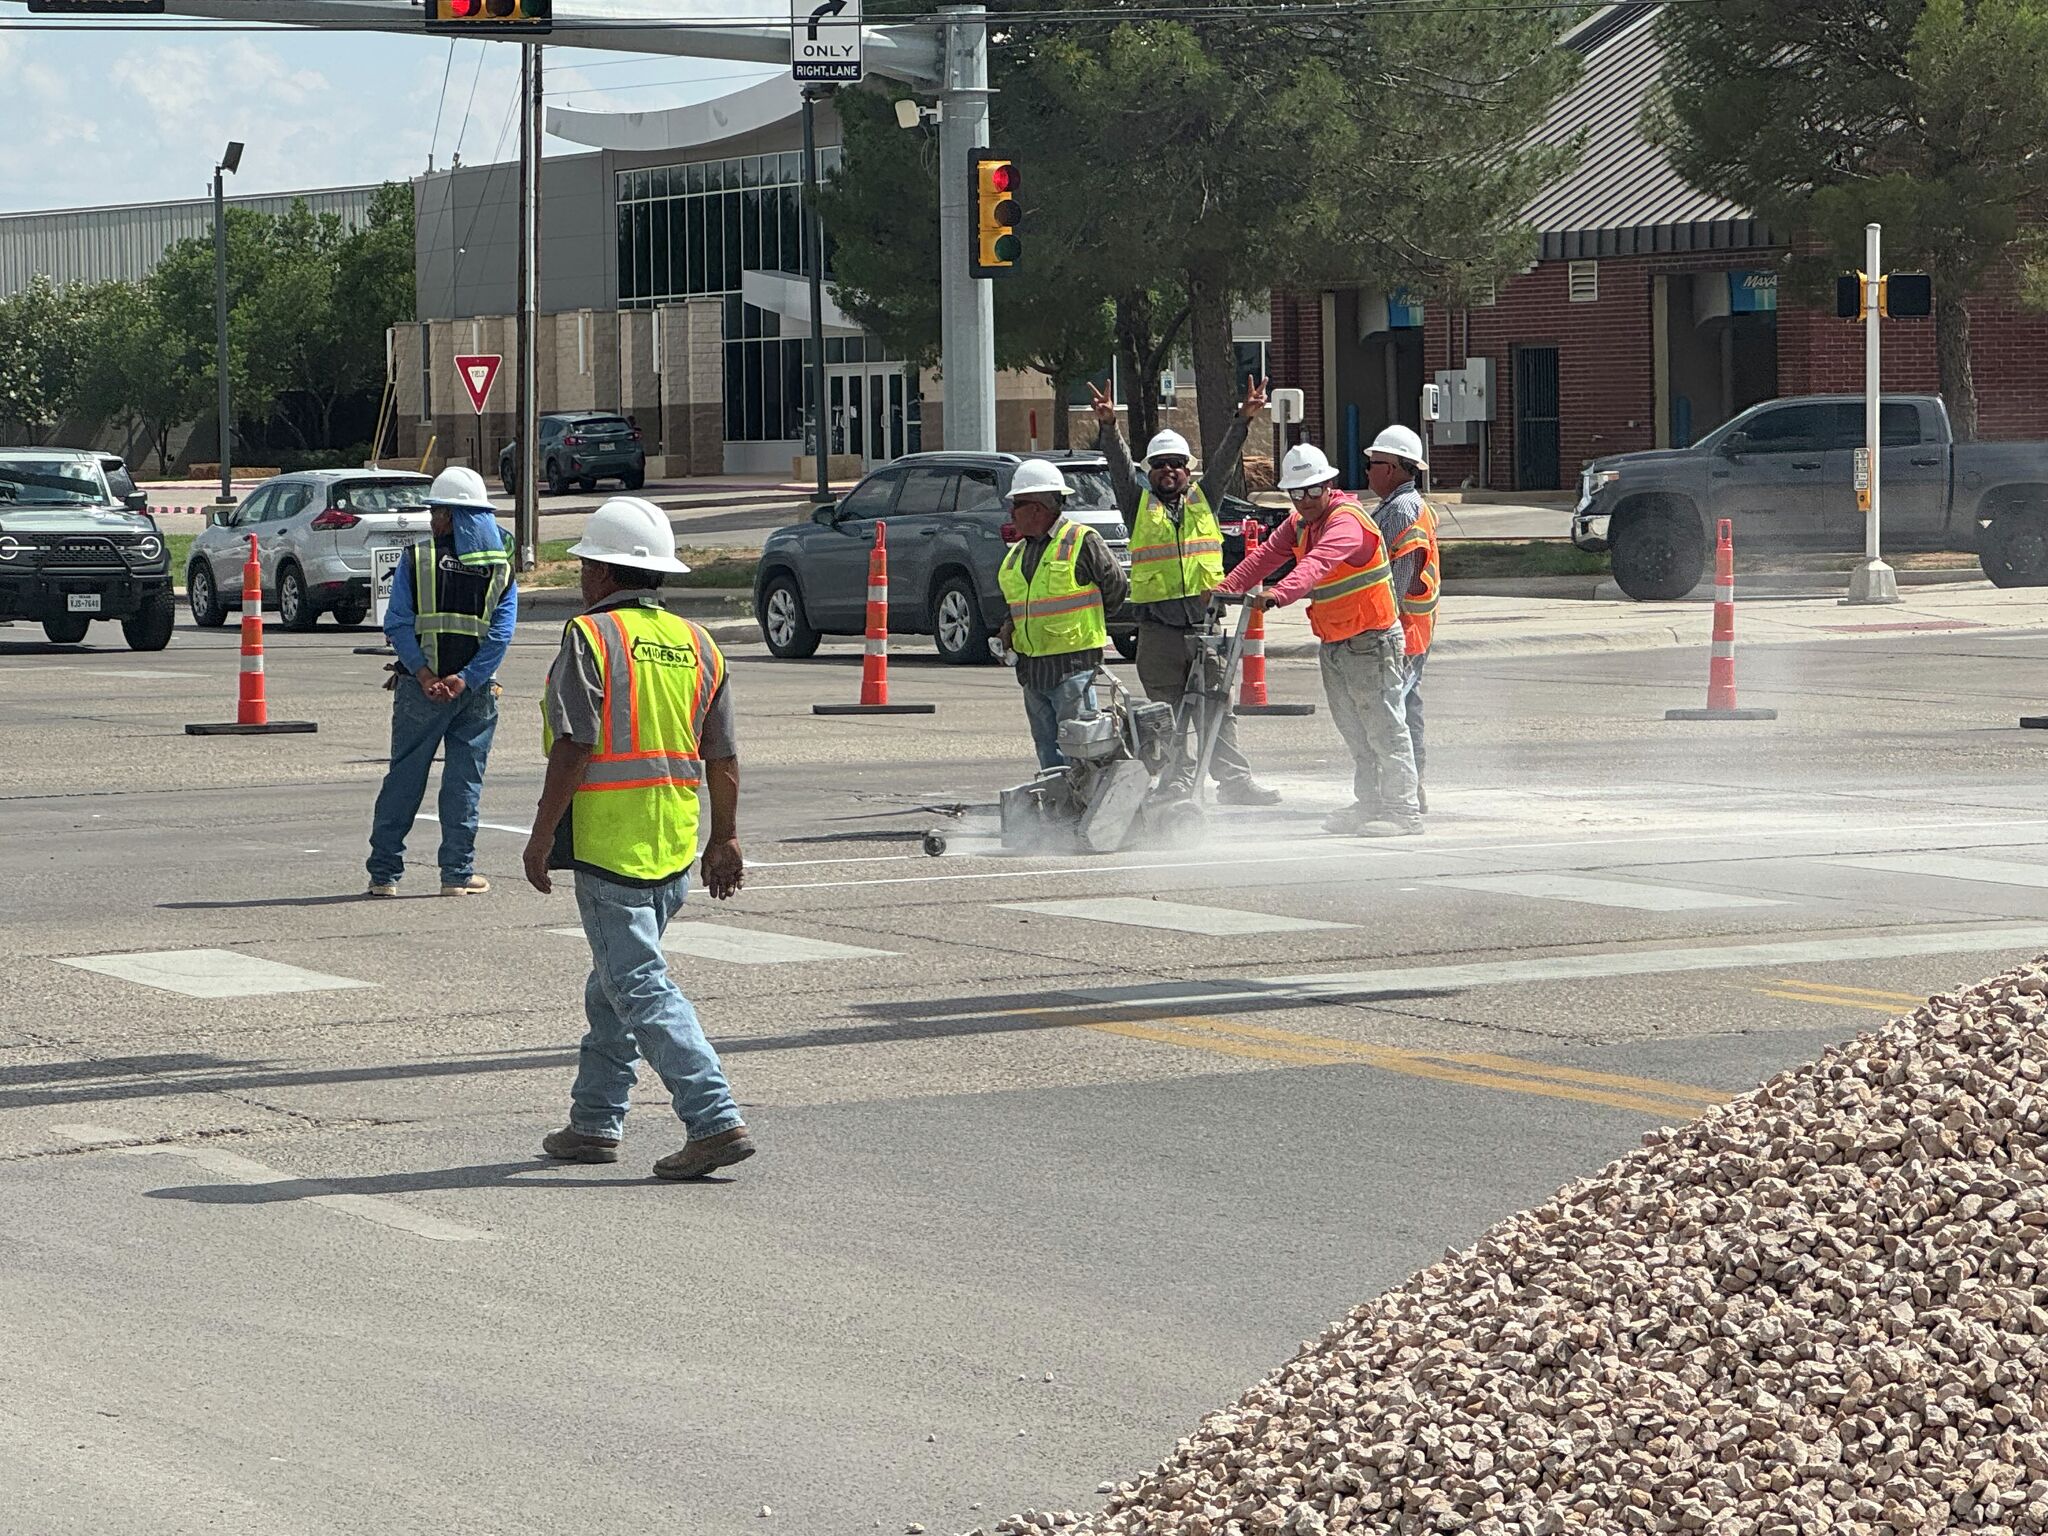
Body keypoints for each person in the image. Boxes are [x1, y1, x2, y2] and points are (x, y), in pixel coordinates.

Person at [522, 496, 755, 1182]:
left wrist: (540, 837)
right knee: (612, 987)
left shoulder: (590, 638)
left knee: (640, 987)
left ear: (600, 573)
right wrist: (726, 839)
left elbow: (574, 744)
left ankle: (712, 1116)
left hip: (607, 846)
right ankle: (594, 1120)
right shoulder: (698, 644)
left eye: (585, 565)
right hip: (673, 843)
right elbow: (724, 754)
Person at [1090, 380, 1280, 805]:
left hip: (1204, 629)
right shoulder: (1137, 505)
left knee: (1218, 710)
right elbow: (1120, 469)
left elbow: (1226, 461)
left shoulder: (1203, 502)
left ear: (1188, 470)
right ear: (1149, 471)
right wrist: (1109, 427)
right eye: (1159, 465)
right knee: (1167, 717)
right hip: (1157, 632)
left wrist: (1244, 420)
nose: (1169, 471)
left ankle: (1234, 782)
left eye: (1177, 464)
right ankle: (1176, 782)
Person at [1218, 443, 1421, 837]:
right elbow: (1264, 557)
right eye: (1297, 493)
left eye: (1313, 490)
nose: (1306, 500)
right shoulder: (1299, 523)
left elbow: (1318, 562)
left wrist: (1280, 593)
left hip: (1371, 639)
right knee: (1355, 731)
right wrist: (1225, 588)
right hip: (1337, 641)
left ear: (1329, 485)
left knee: (1384, 728)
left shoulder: (1346, 521)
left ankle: (1402, 811)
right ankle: (1371, 804)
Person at [365, 465, 517, 898]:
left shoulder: (418, 559)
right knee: (463, 782)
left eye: (436, 511)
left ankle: (384, 874)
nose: (431, 519)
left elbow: (396, 624)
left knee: (405, 777)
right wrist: (466, 680)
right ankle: (456, 874)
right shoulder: (501, 567)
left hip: (421, 690)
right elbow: (501, 634)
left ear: (450, 516)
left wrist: (427, 674)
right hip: (475, 693)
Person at [997, 458, 1129, 770]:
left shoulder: (1081, 541)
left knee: (1081, 748)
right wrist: (1009, 627)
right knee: (1047, 749)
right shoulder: (1019, 552)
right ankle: (1060, 812)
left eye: (1016, 504)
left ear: (1037, 508)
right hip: (1032, 670)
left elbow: (1116, 587)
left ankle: (1086, 810)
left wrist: (1092, 620)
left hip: (1073, 667)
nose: (1010, 513)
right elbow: (1022, 602)